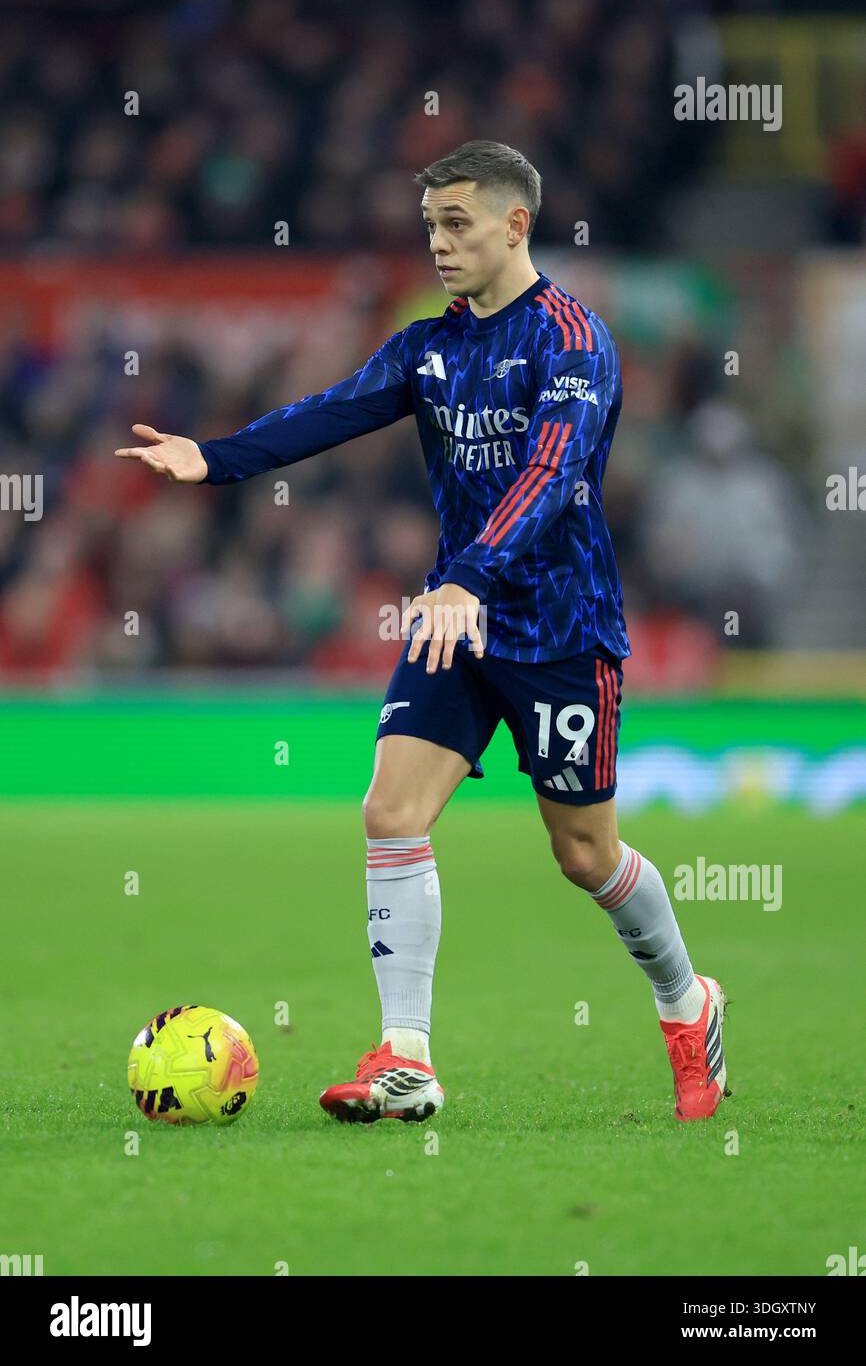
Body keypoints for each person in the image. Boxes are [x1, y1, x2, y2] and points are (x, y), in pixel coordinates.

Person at [116, 139, 729, 1124]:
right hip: (456, 621)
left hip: (561, 630)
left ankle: (683, 1001)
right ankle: (406, 1058)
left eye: (456, 223)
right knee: (390, 812)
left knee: (582, 855)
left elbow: (552, 471)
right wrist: (215, 457)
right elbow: (330, 411)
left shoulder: (573, 340)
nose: (438, 244)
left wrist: (474, 576)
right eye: (429, 226)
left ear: (513, 224)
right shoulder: (424, 347)